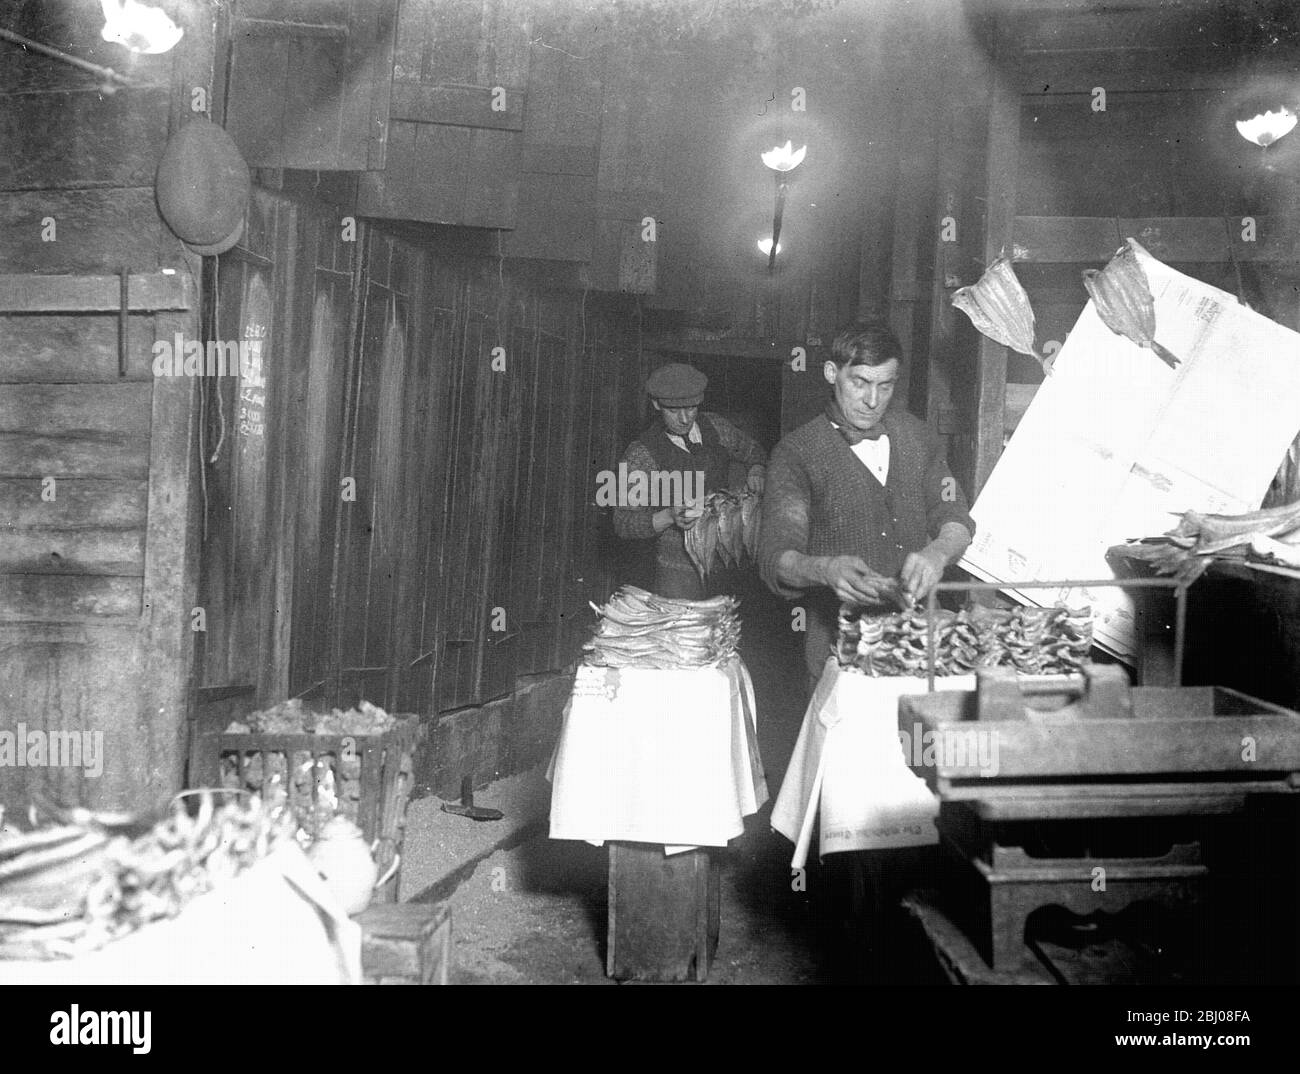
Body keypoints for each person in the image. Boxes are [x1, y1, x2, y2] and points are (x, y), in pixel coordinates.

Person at [758, 321, 974, 692]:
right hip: (838, 658)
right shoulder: (798, 453)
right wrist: (825, 570)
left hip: (919, 650)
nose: (872, 400)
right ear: (832, 373)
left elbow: (956, 517)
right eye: (860, 382)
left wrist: (937, 554)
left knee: (919, 746)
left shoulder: (918, 438)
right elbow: (776, 558)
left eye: (885, 385)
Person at [612, 362, 767, 599]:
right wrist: (668, 516)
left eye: (692, 408)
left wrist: (757, 469)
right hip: (677, 571)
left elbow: (753, 451)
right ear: (656, 405)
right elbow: (623, 522)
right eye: (674, 411)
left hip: (729, 561)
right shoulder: (642, 455)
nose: (685, 419)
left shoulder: (717, 428)